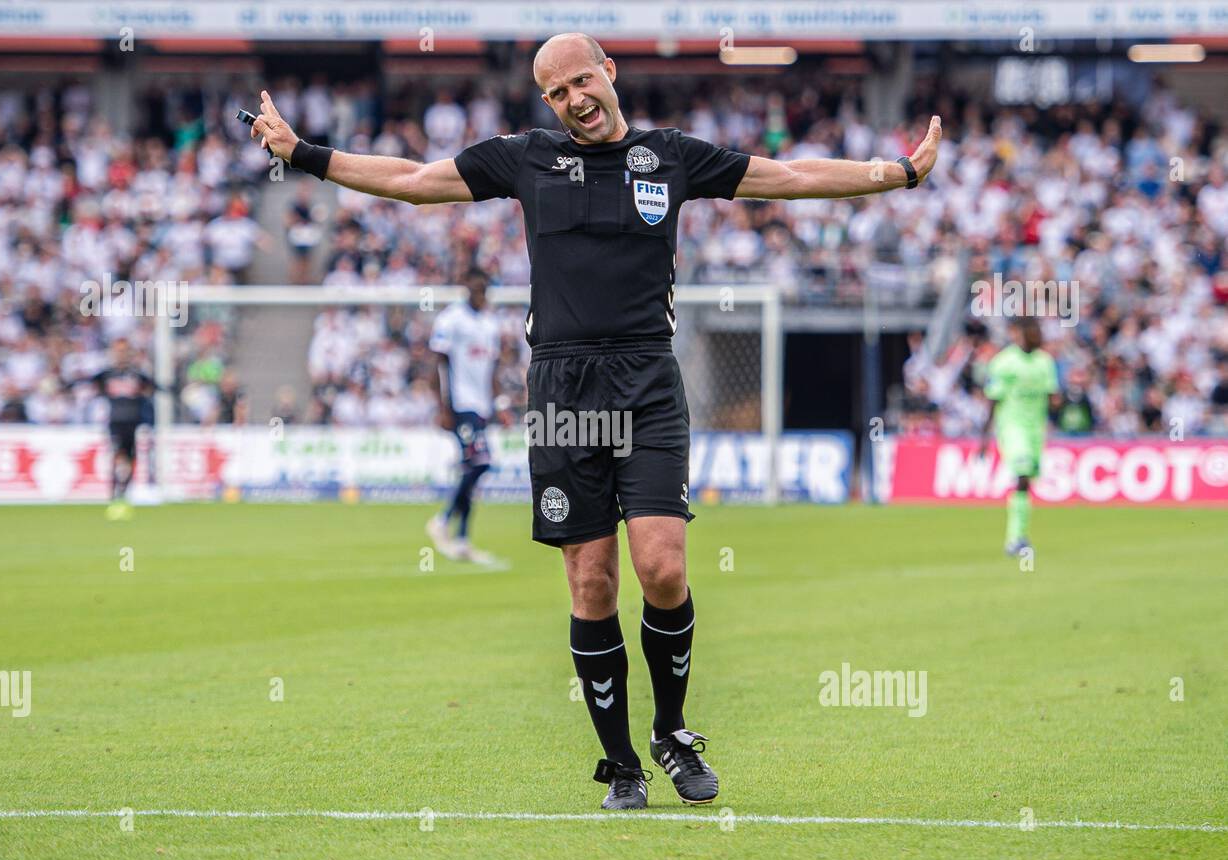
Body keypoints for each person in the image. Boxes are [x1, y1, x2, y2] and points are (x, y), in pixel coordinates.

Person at [248, 33, 941, 810]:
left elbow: (785, 175)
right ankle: (621, 765)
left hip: (647, 378)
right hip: (562, 386)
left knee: (663, 567)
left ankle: (672, 733)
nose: (573, 100)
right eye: (556, 93)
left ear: (608, 73)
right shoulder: (524, 158)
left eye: (581, 81)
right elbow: (413, 180)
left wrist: (898, 173)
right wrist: (303, 152)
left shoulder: (670, 157)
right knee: (591, 580)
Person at [426, 268, 502, 564]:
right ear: (467, 287)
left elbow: (492, 368)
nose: (480, 293)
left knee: (471, 466)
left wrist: (499, 403)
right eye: (475, 287)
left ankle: (462, 539)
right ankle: (442, 521)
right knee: (482, 462)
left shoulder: (490, 323)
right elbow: (438, 362)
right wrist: (443, 405)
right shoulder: (451, 319)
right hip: (461, 404)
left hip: (481, 406)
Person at [980, 317, 1060, 556]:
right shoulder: (1004, 362)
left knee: (1027, 481)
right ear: (1018, 333)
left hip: (1036, 429)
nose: (1036, 336)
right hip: (1012, 427)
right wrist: (984, 438)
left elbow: (1051, 397)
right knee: (1022, 473)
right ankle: (1016, 539)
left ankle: (1019, 536)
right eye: (1031, 331)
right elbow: (993, 400)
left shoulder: (1045, 362)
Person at [87, 339, 157, 521]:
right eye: (119, 351)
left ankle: (124, 492)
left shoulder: (136, 374)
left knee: (131, 458)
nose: (122, 354)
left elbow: (153, 387)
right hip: (115, 421)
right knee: (117, 457)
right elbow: (91, 384)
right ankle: (113, 493)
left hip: (133, 422)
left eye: (125, 350)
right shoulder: (107, 374)